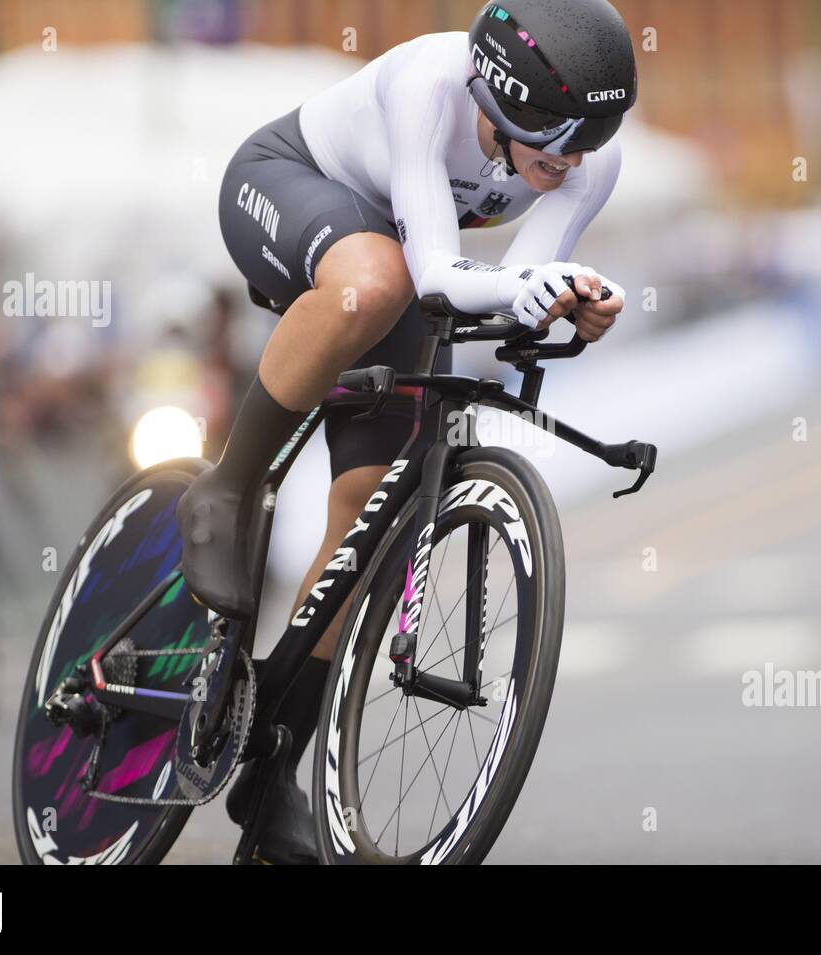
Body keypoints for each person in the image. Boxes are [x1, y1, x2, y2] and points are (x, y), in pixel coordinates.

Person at [179, 0, 637, 862]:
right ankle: (228, 487)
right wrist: (526, 287)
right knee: (378, 281)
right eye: (554, 132)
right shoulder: (430, 80)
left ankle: (275, 762)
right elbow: (436, 268)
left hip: (391, 253)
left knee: (363, 518)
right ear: (498, 94)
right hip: (290, 185)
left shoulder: (585, 162)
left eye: (593, 135)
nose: (570, 157)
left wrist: (572, 307)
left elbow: (518, 287)